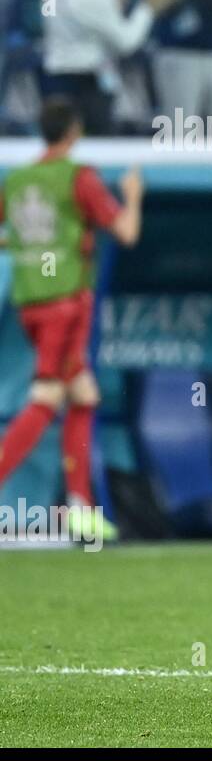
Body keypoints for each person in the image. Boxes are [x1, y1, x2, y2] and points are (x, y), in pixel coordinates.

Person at [0, 97, 143, 541]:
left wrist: (29, 249)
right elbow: (125, 232)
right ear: (74, 131)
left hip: (31, 304)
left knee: (83, 395)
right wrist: (133, 197)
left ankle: (80, 506)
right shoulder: (79, 178)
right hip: (66, 302)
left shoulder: (17, 181)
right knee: (46, 398)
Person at [41, 0, 196, 134]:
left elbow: (55, 17)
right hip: (85, 85)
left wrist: (110, 8)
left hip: (54, 80)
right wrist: (147, 8)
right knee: (93, 152)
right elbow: (126, 42)